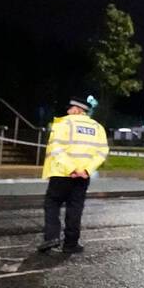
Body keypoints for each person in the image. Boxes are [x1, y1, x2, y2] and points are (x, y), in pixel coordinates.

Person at [38, 97, 109, 253]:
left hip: (61, 174)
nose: (68, 111)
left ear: (78, 109)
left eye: (70, 108)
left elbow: (56, 149)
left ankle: (51, 237)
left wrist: (71, 168)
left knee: (52, 204)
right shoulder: (97, 127)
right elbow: (102, 152)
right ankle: (71, 244)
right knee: (75, 209)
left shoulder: (63, 123)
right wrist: (86, 170)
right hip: (83, 177)